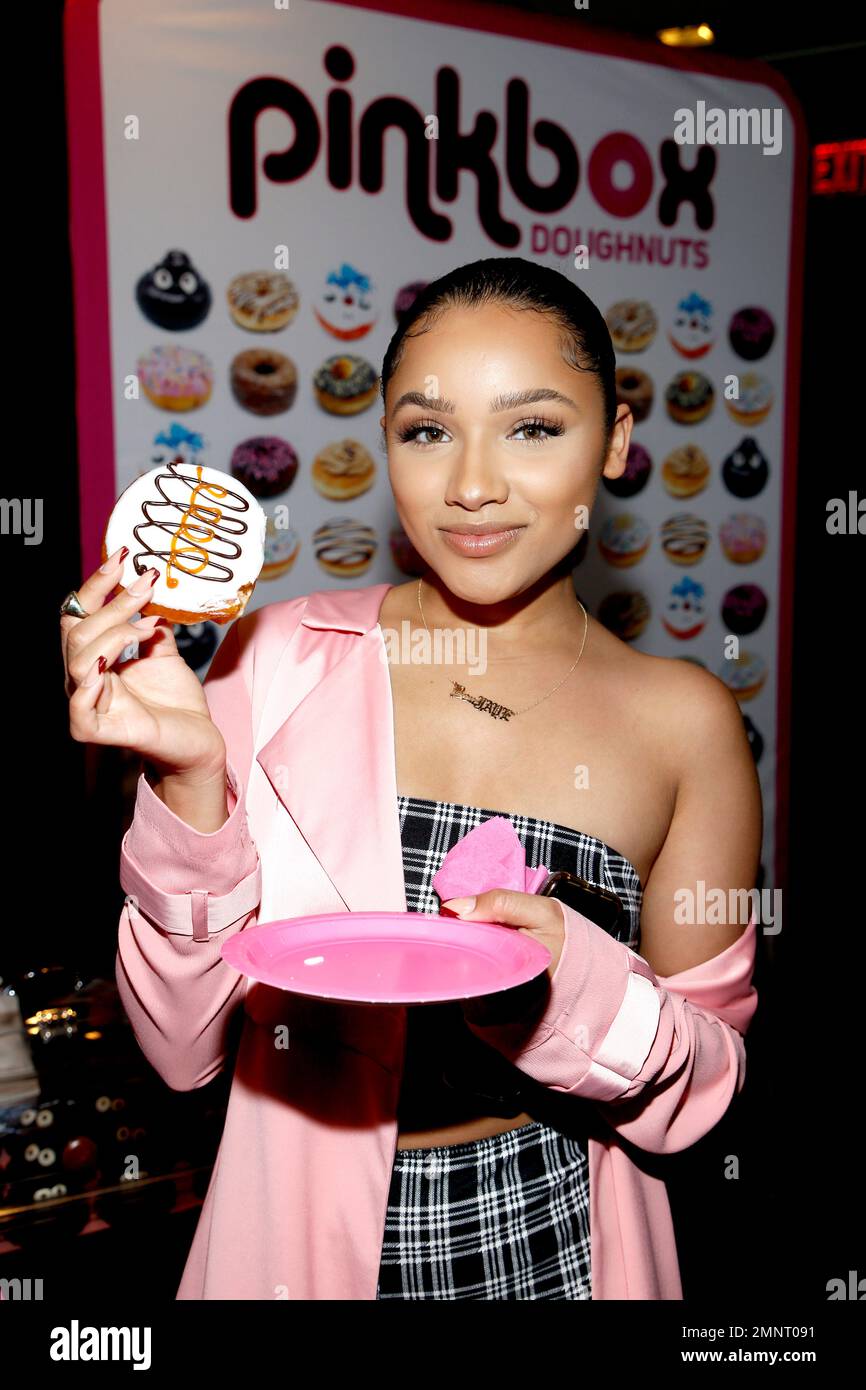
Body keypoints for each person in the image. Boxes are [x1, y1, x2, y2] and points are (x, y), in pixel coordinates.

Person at [61, 256, 761, 1300]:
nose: (471, 483)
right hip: (294, 1239)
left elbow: (702, 1087)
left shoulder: (685, 721)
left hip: (557, 1237)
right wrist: (190, 783)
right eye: (426, 429)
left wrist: (566, 986)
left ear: (613, 439)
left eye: (531, 427)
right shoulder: (280, 656)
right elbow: (176, 1050)